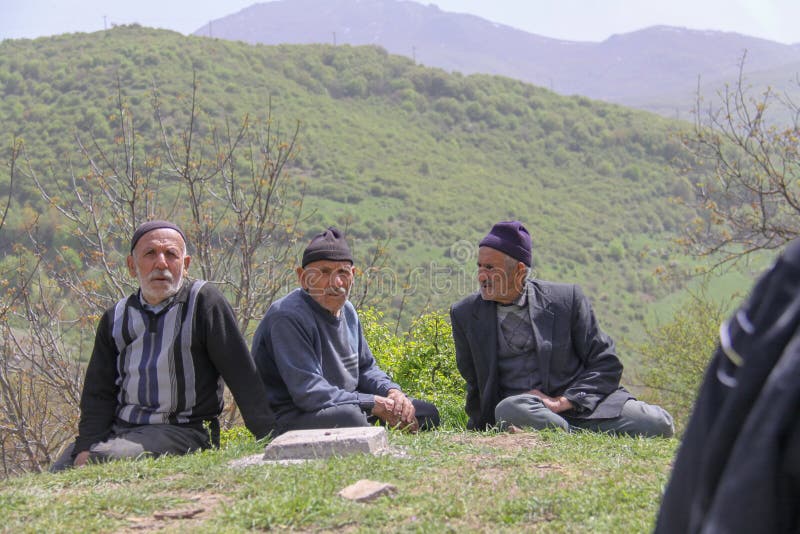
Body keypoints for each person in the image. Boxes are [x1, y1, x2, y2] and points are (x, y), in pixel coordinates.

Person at [50, 220, 276, 471]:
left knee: (104, 459)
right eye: (150, 254)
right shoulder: (116, 317)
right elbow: (98, 391)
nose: (161, 263)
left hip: (186, 431)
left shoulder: (204, 303)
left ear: (186, 264)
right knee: (63, 468)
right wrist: (86, 444)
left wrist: (269, 438)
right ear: (131, 265)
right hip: (122, 429)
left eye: (171, 254)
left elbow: (242, 375)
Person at [449, 220, 673, 436]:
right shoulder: (465, 314)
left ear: (519, 270)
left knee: (658, 423)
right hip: (522, 412)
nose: (481, 276)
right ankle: (569, 434)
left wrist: (562, 402)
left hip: (578, 406)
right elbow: (474, 380)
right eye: (479, 266)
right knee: (508, 409)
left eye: (490, 268)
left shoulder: (565, 300)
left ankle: (564, 432)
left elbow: (607, 363)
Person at [655, 239, 800, 533]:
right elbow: (714, 431)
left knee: (651, 420)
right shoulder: (791, 280)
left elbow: (604, 364)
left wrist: (569, 399)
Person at [251, 226, 440, 433]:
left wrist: (392, 392)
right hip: (290, 415)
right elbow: (309, 392)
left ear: (353, 275)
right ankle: (371, 427)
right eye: (324, 272)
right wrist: (372, 403)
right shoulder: (287, 316)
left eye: (343, 272)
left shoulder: (347, 310)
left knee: (424, 412)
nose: (337, 282)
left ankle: (377, 425)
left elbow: (366, 368)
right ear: (303, 277)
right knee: (352, 420)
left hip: (345, 406)